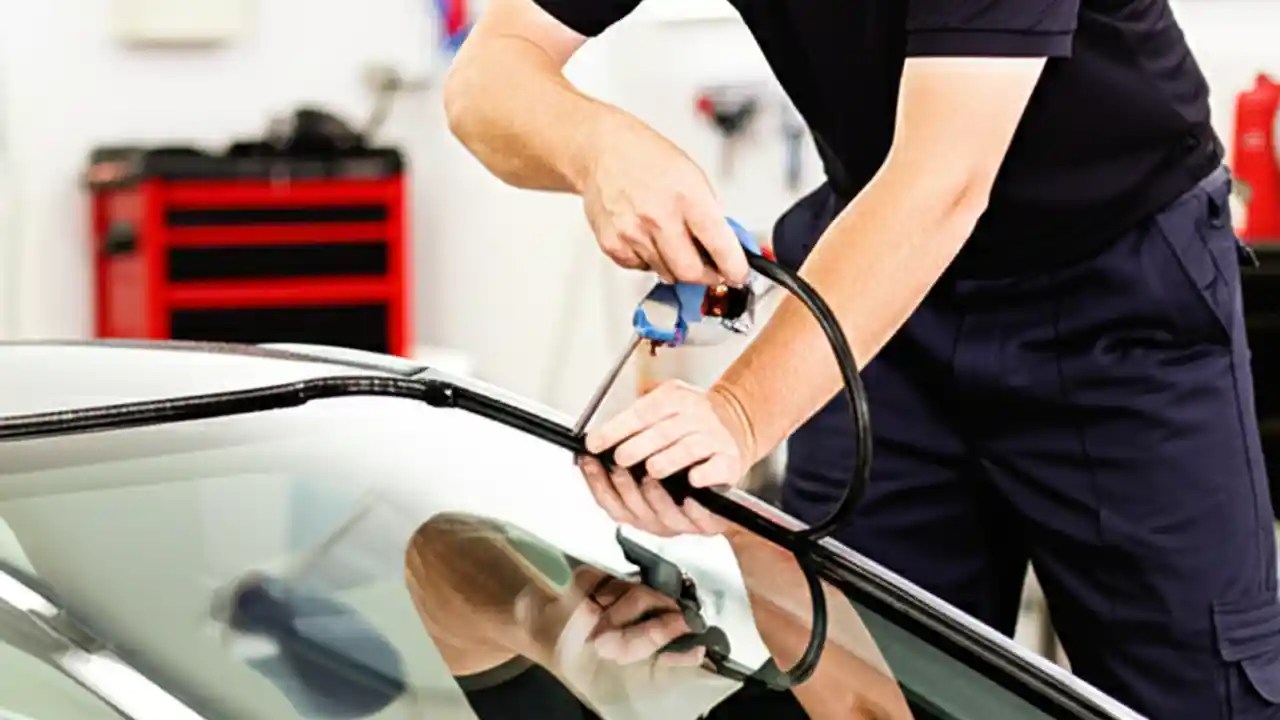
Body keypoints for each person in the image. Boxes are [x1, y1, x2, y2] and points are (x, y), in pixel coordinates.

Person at [444, 1, 1280, 716]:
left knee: (1190, 695)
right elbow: (486, 78)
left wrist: (737, 414)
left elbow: (945, 178)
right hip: (882, 306)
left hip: (1113, 297)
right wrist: (597, 147)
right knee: (853, 679)